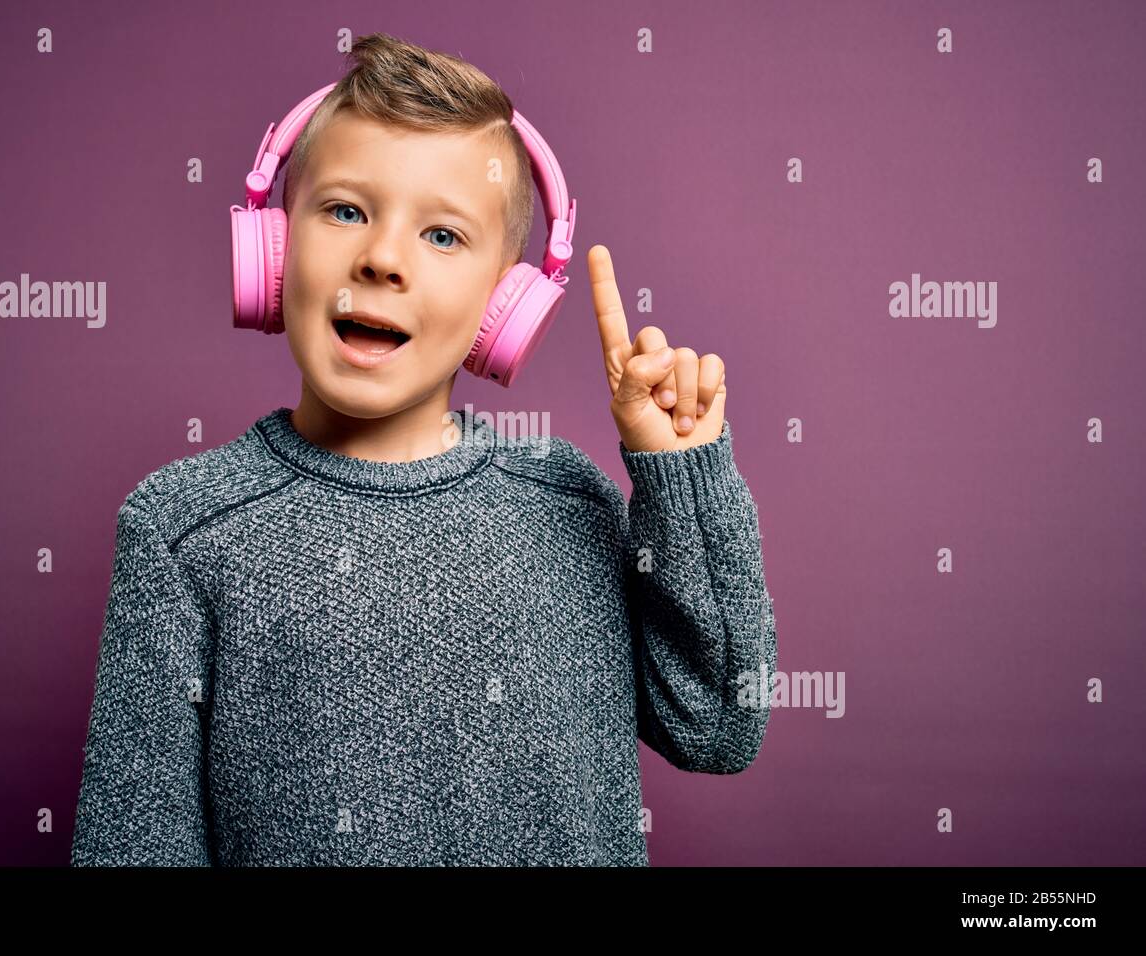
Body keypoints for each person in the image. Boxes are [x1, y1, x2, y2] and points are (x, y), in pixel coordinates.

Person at [70, 32, 776, 867]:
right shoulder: (181, 529)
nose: (382, 259)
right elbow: (132, 847)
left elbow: (720, 726)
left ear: (503, 304)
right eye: (344, 210)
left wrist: (682, 476)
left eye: (443, 236)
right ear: (272, 247)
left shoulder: (568, 503)